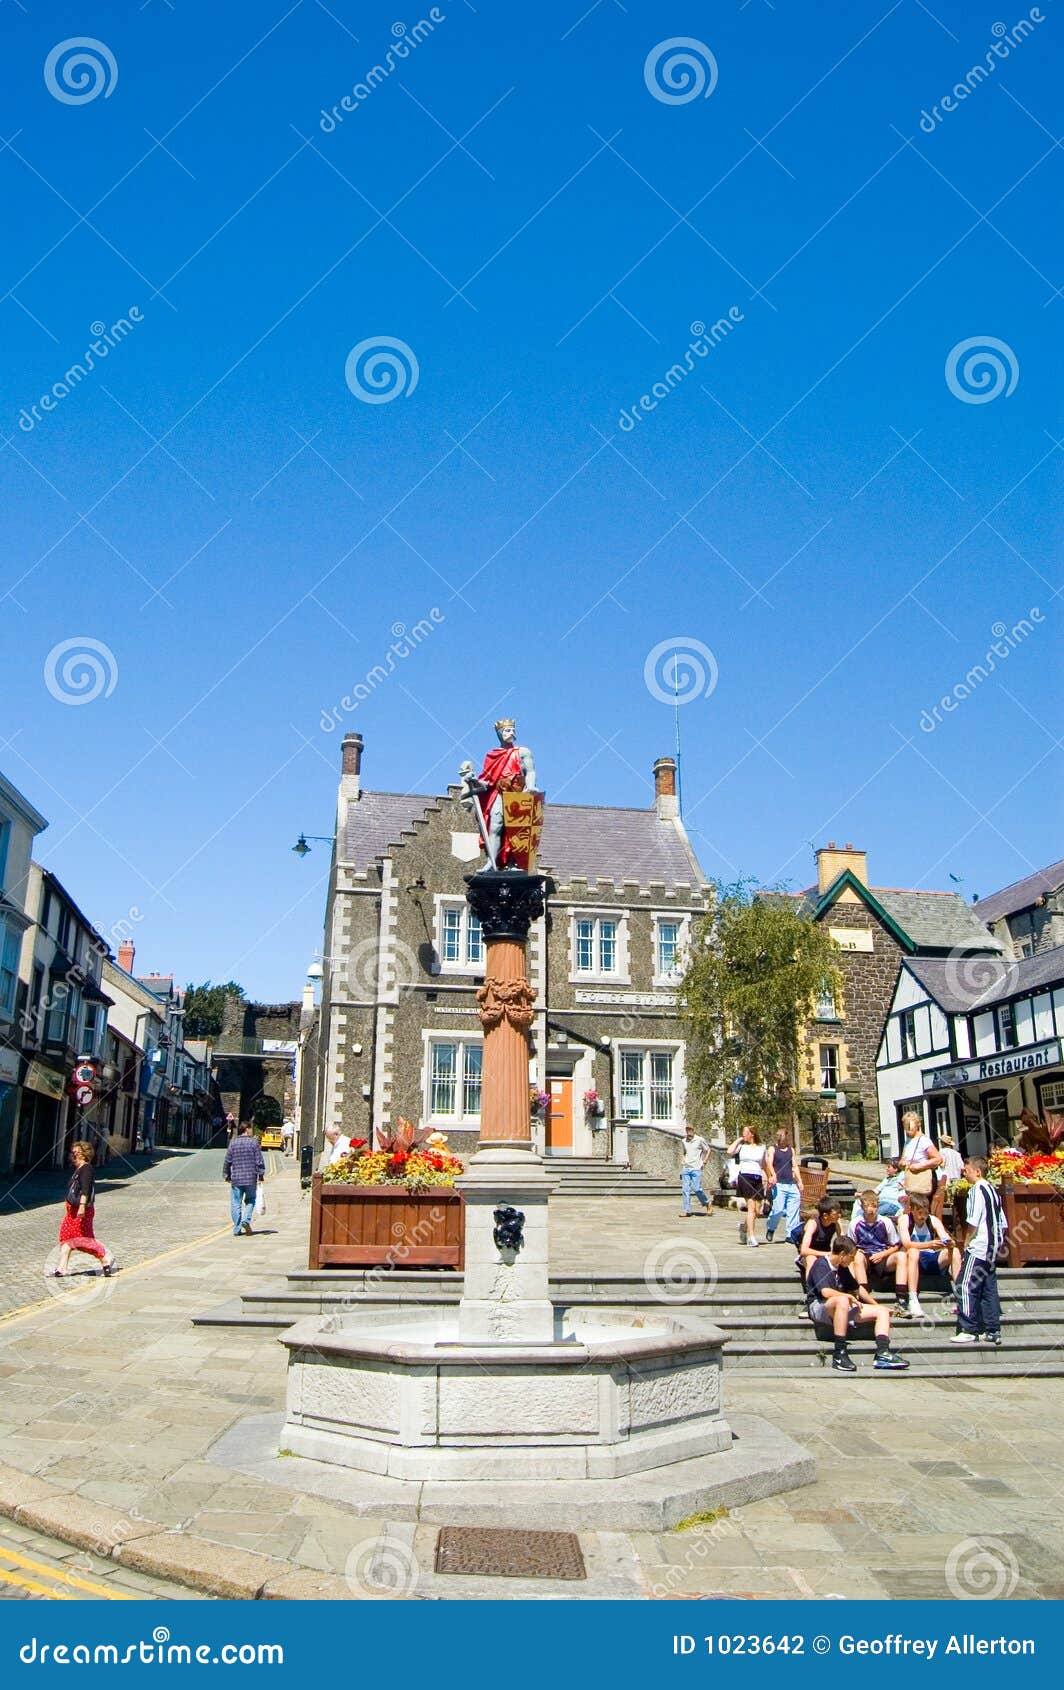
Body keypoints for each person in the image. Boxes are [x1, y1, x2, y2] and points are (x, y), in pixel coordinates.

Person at [805, 1235, 909, 1373]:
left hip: (841, 1307)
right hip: (819, 1307)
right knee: (842, 1300)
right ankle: (839, 1353)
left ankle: (883, 1353)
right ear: (842, 1255)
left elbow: (857, 1289)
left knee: (881, 1312)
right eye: (852, 1256)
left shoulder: (842, 1267)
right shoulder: (821, 1265)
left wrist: (876, 1305)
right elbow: (825, 1292)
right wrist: (846, 1296)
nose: (853, 1260)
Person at [952, 1156, 1008, 1346]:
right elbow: (1003, 1222)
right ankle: (993, 1329)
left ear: (977, 1171)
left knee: (964, 1286)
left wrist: (967, 1242)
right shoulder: (993, 1190)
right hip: (992, 1248)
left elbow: (973, 1220)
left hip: (979, 1247)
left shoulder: (977, 1190)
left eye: (967, 1169)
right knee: (988, 1288)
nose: (964, 1172)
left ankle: (968, 1329)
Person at [54, 1141, 117, 1278]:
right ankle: (61, 1268)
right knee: (66, 1238)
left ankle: (105, 1257)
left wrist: (82, 1207)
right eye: (73, 1152)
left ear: (84, 1155)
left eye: (76, 1153)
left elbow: (85, 1189)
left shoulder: (86, 1169)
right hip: (72, 1212)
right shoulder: (79, 1169)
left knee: (82, 1239)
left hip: (80, 1211)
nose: (72, 1155)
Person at [897, 1195, 961, 1319]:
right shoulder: (905, 1219)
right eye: (919, 1213)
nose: (923, 1217)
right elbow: (907, 1243)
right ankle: (913, 1298)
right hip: (914, 1260)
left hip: (932, 1257)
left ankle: (961, 1295)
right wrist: (930, 1244)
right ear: (912, 1210)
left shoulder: (933, 1220)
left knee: (955, 1251)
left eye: (925, 1213)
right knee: (913, 1251)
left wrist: (949, 1242)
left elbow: (943, 1235)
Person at [850, 1190, 908, 1305]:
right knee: (857, 1257)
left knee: (901, 1256)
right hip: (865, 1257)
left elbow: (895, 1245)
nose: (871, 1210)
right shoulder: (855, 1223)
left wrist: (883, 1254)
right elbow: (850, 1244)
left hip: (882, 1255)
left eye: (874, 1206)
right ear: (862, 1207)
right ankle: (863, 1294)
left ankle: (901, 1296)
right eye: (867, 1206)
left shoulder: (885, 1222)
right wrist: (856, 1250)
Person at [223, 1123, 266, 1237]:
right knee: (251, 1200)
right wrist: (261, 1174)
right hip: (250, 1178)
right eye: (251, 1129)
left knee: (236, 1203)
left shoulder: (233, 1143)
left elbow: (227, 1161)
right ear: (247, 1129)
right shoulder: (253, 1143)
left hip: (236, 1179)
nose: (252, 1131)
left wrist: (226, 1175)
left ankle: (237, 1229)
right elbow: (259, 1161)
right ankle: (246, 1220)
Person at [727, 1124, 766, 1247]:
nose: (743, 1134)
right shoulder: (742, 1147)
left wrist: (770, 1176)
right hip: (745, 1177)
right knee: (751, 1207)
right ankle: (751, 1237)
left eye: (745, 1132)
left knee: (757, 1210)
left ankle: (744, 1228)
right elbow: (729, 1151)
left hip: (757, 1177)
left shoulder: (761, 1147)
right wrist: (739, 1140)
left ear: (752, 1134)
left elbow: (763, 1164)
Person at [764, 1126, 804, 1244]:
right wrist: (773, 1175)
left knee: (793, 1210)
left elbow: (794, 1166)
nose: (785, 1141)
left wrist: (799, 1181)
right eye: (783, 1139)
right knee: (778, 1209)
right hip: (779, 1185)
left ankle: (790, 1234)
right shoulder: (772, 1149)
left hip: (791, 1184)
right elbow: (769, 1163)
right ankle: (771, 1227)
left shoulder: (791, 1150)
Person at [899, 1110, 943, 1202]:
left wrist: (920, 1165)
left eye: (910, 1125)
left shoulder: (924, 1140)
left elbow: (938, 1159)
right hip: (911, 1182)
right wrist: (902, 1164)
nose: (908, 1128)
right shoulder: (908, 1141)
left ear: (917, 1125)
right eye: (906, 1125)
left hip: (923, 1181)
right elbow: (901, 1161)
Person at [798, 1198, 842, 1286]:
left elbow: (843, 1241)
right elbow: (804, 1250)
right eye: (836, 1214)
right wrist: (827, 1254)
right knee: (812, 1259)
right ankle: (811, 1291)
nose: (839, 1215)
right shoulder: (813, 1224)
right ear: (825, 1215)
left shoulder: (836, 1222)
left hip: (826, 1254)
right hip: (809, 1255)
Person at [679, 1124, 711, 1217]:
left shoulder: (700, 1140)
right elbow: (684, 1152)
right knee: (685, 1189)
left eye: (690, 1130)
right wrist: (683, 1158)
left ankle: (707, 1203)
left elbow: (708, 1150)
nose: (688, 1132)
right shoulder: (683, 1141)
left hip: (696, 1168)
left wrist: (704, 1161)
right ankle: (686, 1210)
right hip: (686, 1168)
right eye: (687, 1130)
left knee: (696, 1188)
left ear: (693, 1130)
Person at [933, 1133, 964, 1219]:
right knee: (956, 1202)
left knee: (946, 1201)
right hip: (957, 1180)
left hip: (946, 1179)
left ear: (942, 1143)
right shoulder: (957, 1154)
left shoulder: (942, 1152)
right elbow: (962, 1168)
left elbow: (941, 1164)